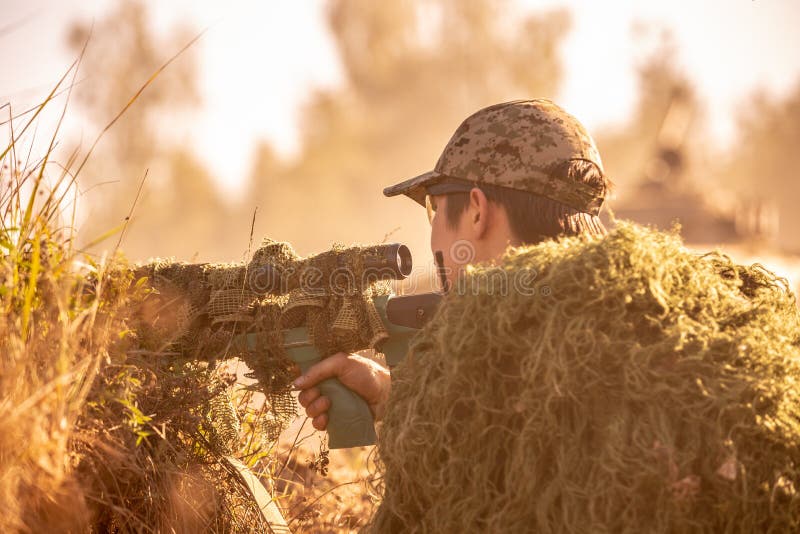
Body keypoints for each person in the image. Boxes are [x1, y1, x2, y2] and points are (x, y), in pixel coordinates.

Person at [293, 98, 611, 431]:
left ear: (476, 210)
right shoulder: (606, 327)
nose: (433, 239)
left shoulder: (539, 364)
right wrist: (393, 395)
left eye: (434, 209)